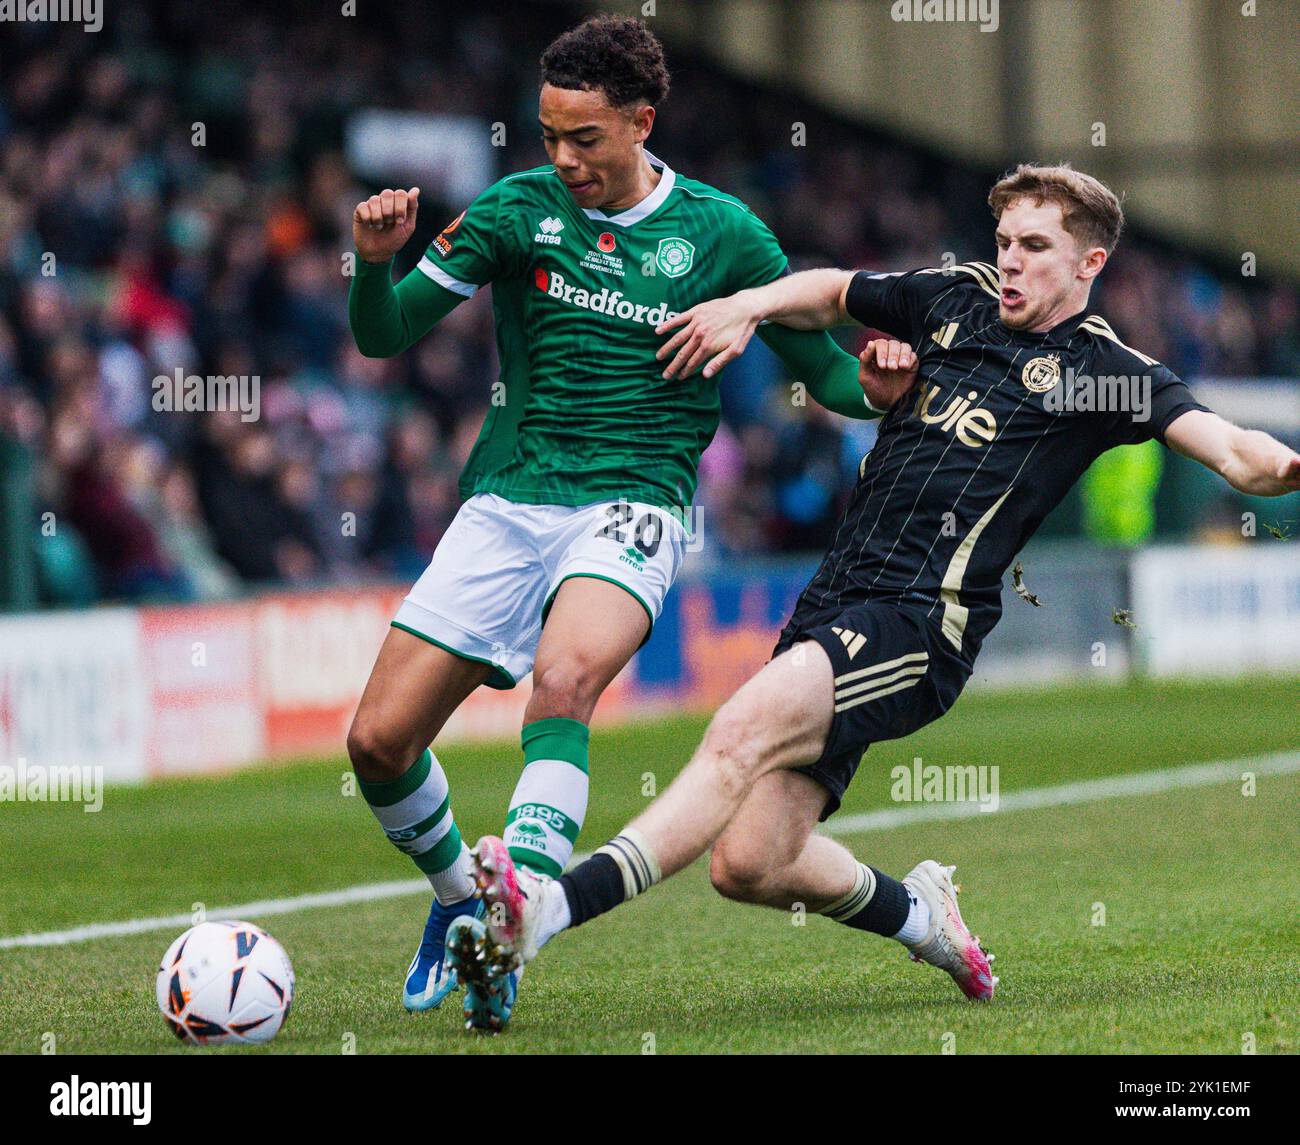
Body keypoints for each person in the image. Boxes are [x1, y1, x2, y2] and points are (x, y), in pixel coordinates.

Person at [465, 163, 1300, 1014]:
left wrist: (1289, 466)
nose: (1010, 260)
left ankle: (544, 913)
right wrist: (752, 304)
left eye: (1036, 246)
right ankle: (926, 917)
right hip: (834, 598)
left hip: (920, 620)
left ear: (1089, 265)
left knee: (739, 730)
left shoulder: (1101, 371)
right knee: (751, 862)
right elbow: (833, 292)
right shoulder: (956, 297)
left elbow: (1234, 450)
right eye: (1005, 240)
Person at [344, 15, 882, 1030]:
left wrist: (886, 385)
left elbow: (834, 382)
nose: (563, 158)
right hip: (509, 496)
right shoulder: (518, 211)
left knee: (566, 678)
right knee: (376, 742)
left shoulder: (726, 236)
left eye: (584, 138)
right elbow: (384, 334)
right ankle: (465, 894)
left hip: (633, 502)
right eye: (548, 134)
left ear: (641, 121)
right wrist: (373, 261)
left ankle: (513, 922)